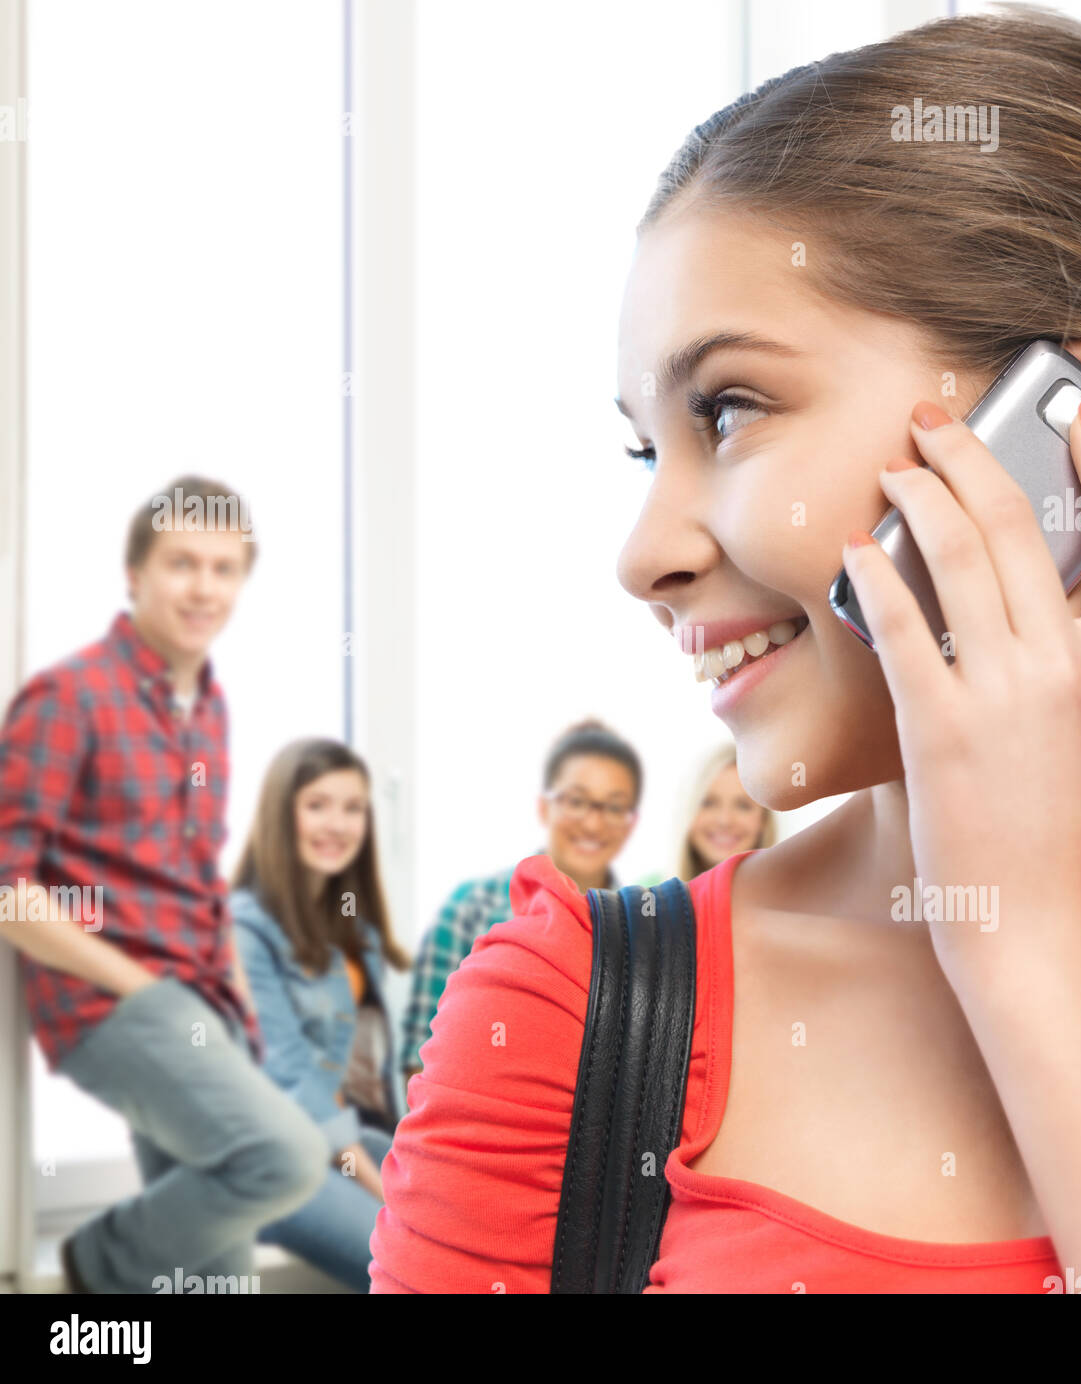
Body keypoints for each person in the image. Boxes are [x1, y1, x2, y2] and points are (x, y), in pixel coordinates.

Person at [371, 11, 1081, 1293]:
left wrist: (1044, 954)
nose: (641, 554)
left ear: (1075, 442)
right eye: (647, 449)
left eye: (730, 411)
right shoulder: (559, 1025)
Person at [0, 476, 329, 1293]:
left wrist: (236, 999)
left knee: (216, 1278)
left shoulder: (208, 708)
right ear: (135, 573)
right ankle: (98, 1261)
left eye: (224, 568)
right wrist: (142, 987)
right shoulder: (69, 696)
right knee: (284, 1158)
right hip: (113, 1000)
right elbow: (8, 886)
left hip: (202, 1000)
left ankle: (123, 1289)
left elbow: (196, 877)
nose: (204, 587)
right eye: (182, 563)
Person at [230, 738, 409, 1293]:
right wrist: (383, 1190)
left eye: (353, 807)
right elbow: (291, 1079)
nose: (338, 823)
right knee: (411, 1262)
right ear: (282, 813)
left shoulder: (355, 931)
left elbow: (363, 1077)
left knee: (413, 1171)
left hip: (329, 1141)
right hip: (262, 1161)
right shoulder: (244, 929)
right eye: (318, 804)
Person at [398, 717, 640, 1084]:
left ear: (630, 823)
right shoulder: (470, 908)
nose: (593, 824)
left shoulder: (641, 931)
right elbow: (420, 1060)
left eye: (613, 807)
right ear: (544, 807)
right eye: (576, 801)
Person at [634, 745, 776, 886]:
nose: (725, 820)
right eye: (708, 803)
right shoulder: (647, 896)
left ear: (764, 819)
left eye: (743, 806)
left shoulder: (789, 900)